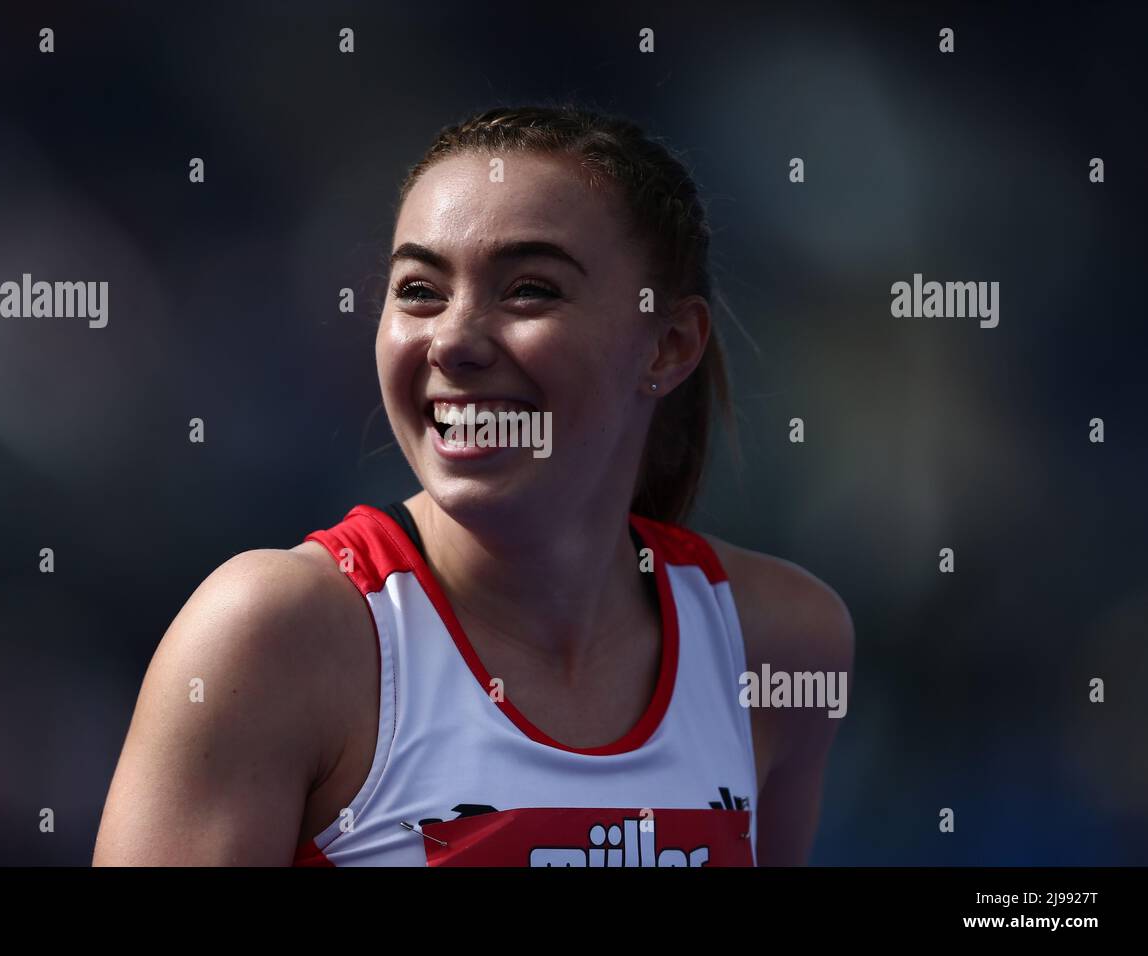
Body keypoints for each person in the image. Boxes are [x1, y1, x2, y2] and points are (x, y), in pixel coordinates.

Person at [93, 105, 854, 867]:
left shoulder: (779, 640)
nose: (454, 342)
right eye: (420, 291)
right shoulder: (272, 635)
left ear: (669, 343)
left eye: (530, 290)